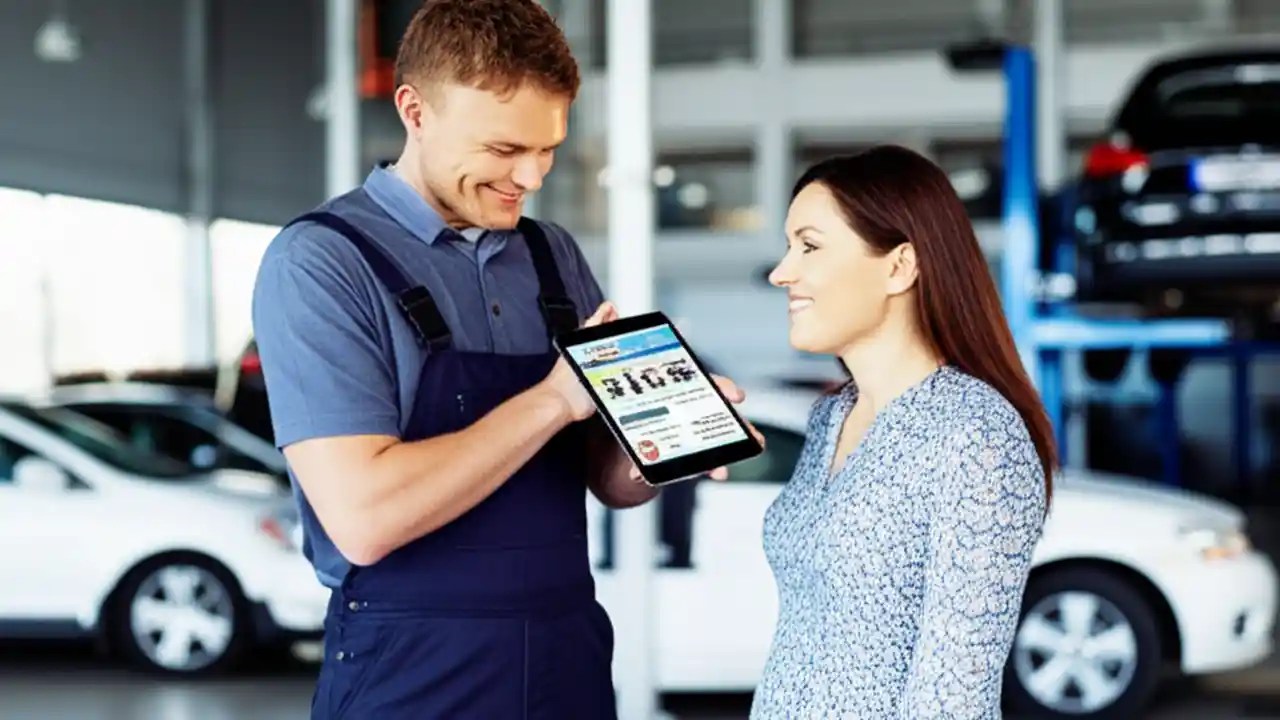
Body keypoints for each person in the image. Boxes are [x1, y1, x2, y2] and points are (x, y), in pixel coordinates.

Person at [250, 1, 746, 717]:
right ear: (415, 111)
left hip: (565, 654)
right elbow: (365, 517)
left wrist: (664, 442)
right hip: (411, 672)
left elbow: (605, 480)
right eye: (504, 150)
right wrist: (553, 400)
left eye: (548, 149)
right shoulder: (321, 262)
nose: (533, 176)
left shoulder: (552, 256)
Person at [751, 145, 1057, 719]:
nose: (781, 272)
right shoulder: (829, 418)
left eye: (809, 247)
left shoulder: (976, 436)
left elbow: (954, 696)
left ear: (899, 266)